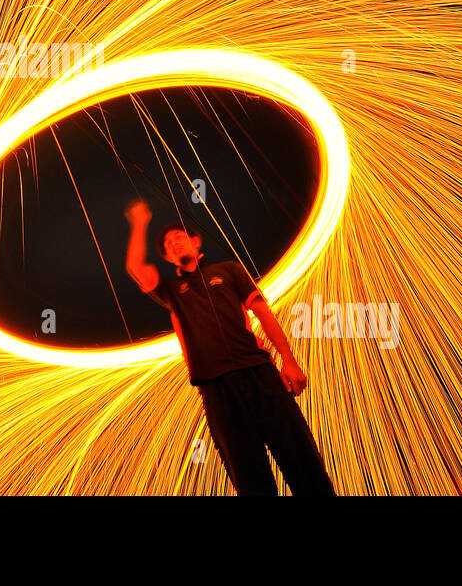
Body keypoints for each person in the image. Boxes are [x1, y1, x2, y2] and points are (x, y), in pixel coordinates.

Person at [123, 198, 336, 496]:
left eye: (179, 237)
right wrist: (139, 223)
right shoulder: (173, 292)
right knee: (250, 479)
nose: (174, 244)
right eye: (168, 245)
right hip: (216, 389)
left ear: (196, 243)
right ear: (169, 260)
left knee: (303, 463)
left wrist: (288, 360)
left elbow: (263, 313)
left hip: (259, 375)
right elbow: (135, 267)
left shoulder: (230, 270)